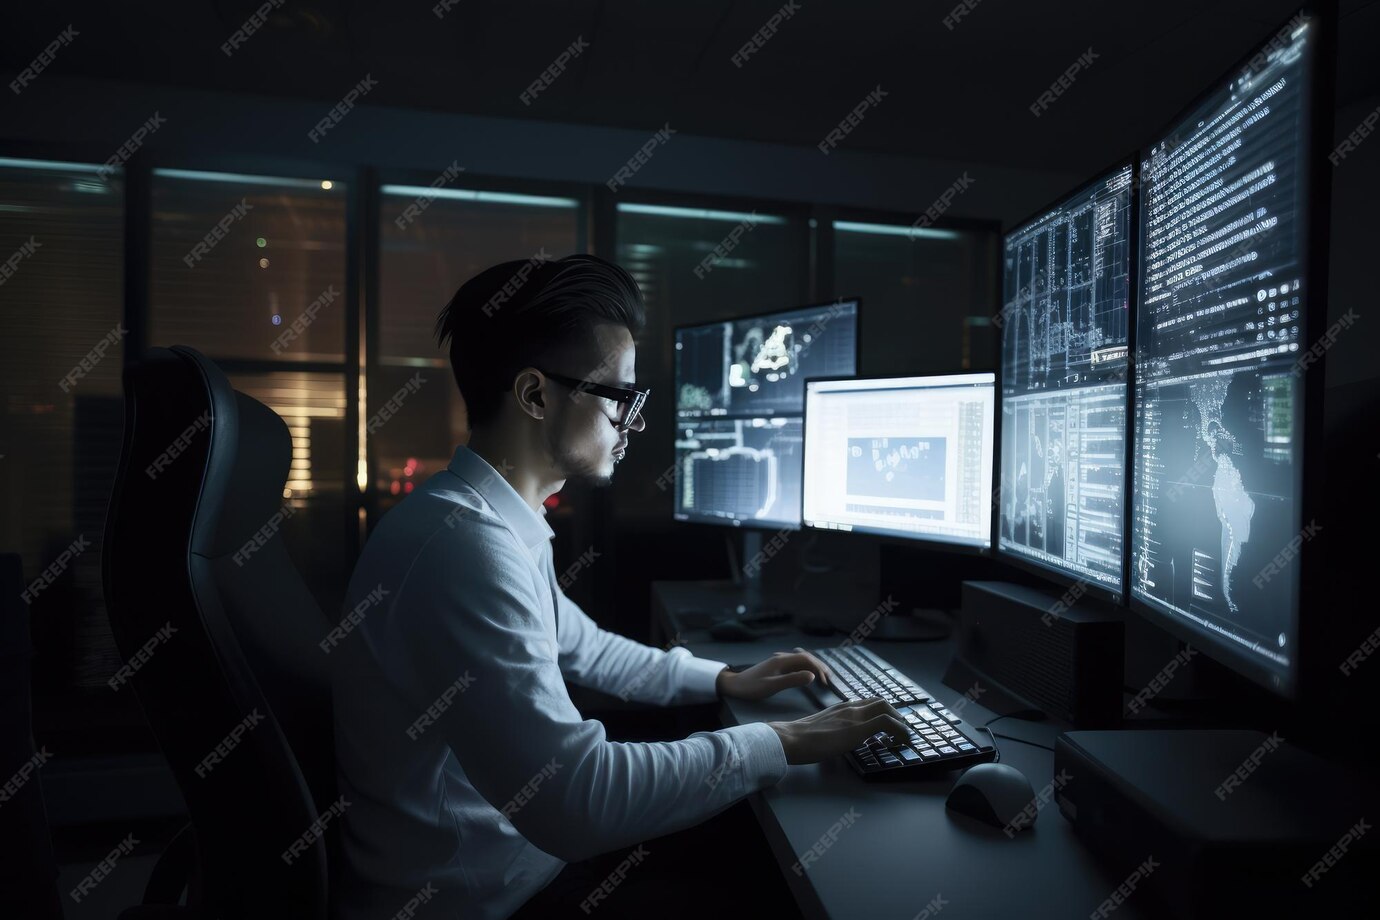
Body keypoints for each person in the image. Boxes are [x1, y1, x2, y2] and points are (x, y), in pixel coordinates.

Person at [330, 254, 907, 919]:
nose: (634, 424)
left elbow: (585, 647)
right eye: (620, 399)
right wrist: (788, 741)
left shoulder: (487, 520)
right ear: (536, 395)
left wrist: (724, 680)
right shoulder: (463, 548)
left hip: (519, 863)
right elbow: (573, 803)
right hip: (488, 898)